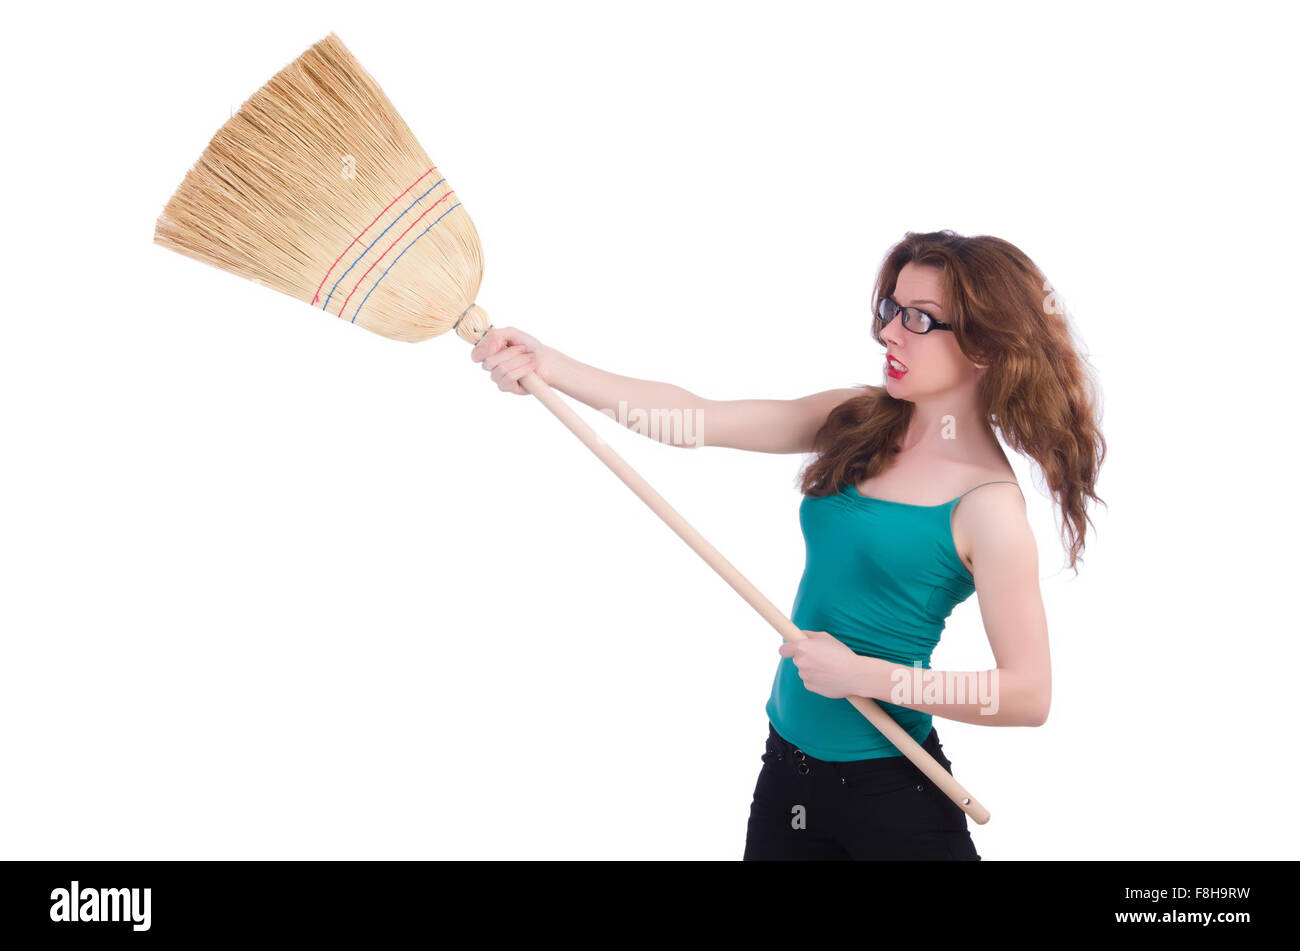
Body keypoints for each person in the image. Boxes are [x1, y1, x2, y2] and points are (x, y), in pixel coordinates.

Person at [469, 229, 1106, 860]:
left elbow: (1028, 695)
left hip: (894, 789)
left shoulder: (988, 508)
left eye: (920, 319)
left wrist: (866, 677)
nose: (889, 332)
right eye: (891, 308)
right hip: (788, 771)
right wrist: (552, 368)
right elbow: (694, 421)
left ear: (985, 348)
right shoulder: (862, 418)